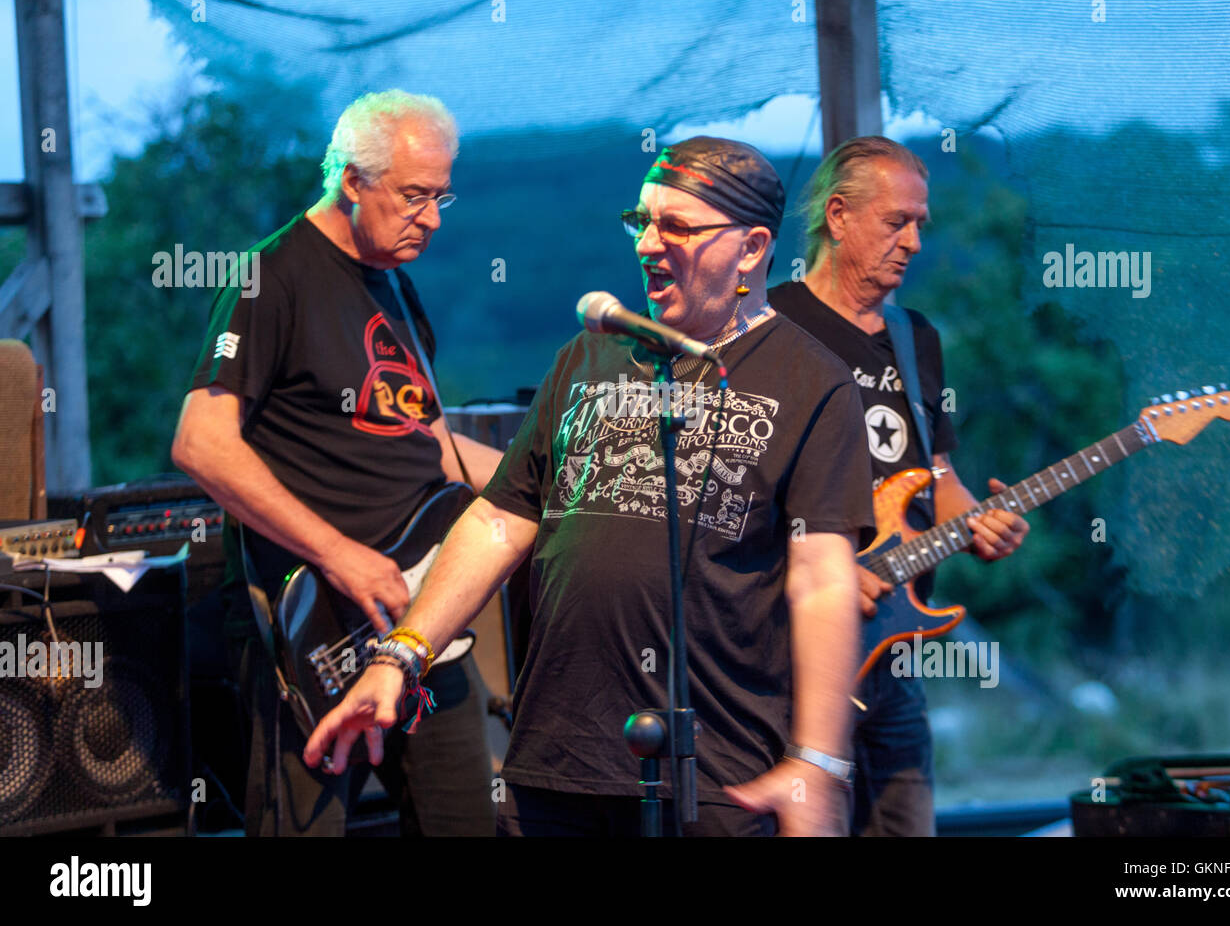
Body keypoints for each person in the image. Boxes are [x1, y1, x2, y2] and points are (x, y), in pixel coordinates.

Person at [303, 136, 876, 836]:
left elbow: (822, 578)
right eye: (641, 221)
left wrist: (818, 761)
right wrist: (401, 654)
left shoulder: (813, 383)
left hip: (722, 776)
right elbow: (499, 520)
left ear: (752, 250)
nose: (648, 244)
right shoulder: (590, 354)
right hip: (559, 765)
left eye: (678, 227)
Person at [171, 89, 503, 836]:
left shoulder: (396, 284)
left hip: (418, 618)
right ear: (354, 180)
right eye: (415, 196)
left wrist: (544, 478)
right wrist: (343, 557)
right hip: (315, 624)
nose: (434, 219)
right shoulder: (270, 275)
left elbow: (432, 443)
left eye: (442, 197)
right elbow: (201, 442)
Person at [769, 136, 1030, 836]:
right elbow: (732, 497)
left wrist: (984, 520)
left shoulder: (917, 338)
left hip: (896, 648)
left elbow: (938, 474)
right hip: (793, 654)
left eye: (921, 224)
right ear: (839, 215)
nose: (914, 242)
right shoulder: (768, 327)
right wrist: (823, 568)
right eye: (897, 222)